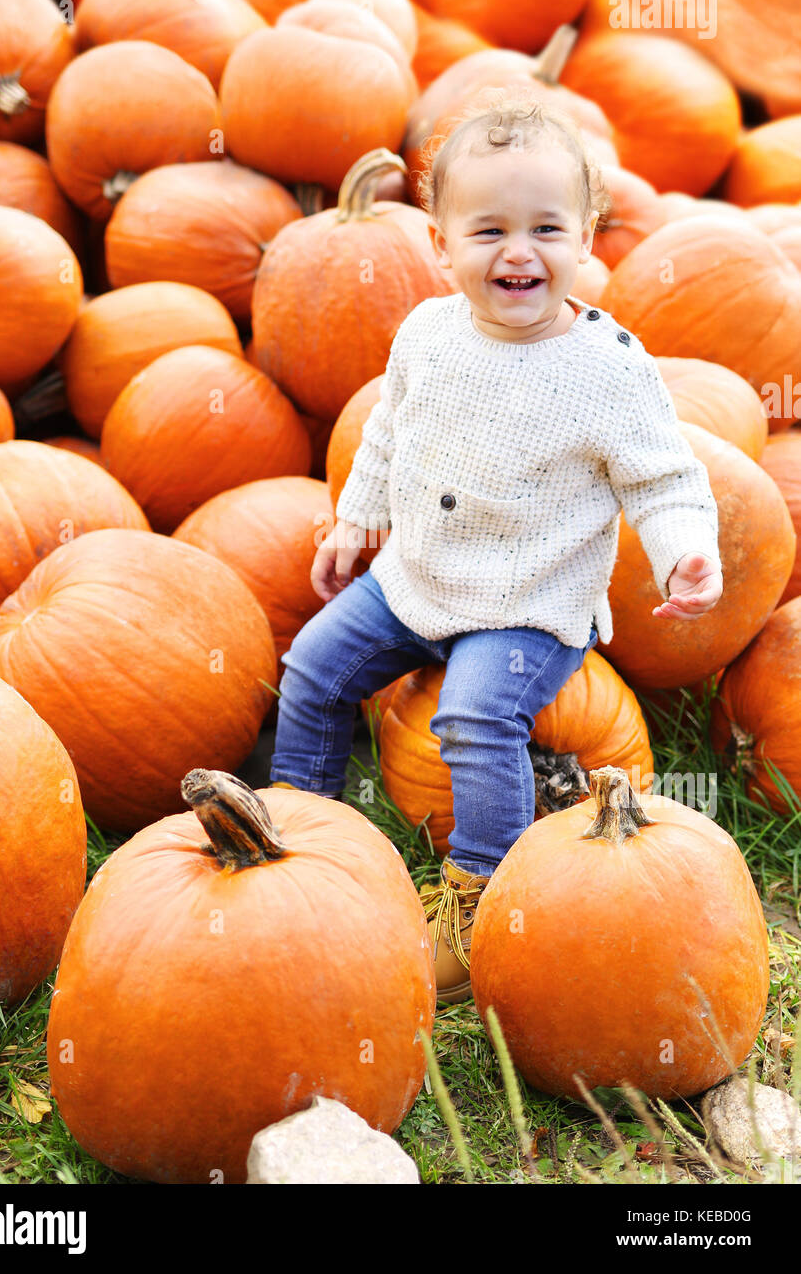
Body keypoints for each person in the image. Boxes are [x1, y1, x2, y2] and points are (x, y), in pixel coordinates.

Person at [270, 100, 722, 1003]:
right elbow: (389, 440)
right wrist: (356, 525)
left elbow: (663, 478)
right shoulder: (425, 337)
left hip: (528, 605)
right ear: (440, 245)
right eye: (489, 231)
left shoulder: (608, 366)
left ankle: (480, 902)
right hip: (418, 579)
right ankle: (299, 835)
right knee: (312, 669)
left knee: (475, 720)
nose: (519, 252)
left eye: (546, 228)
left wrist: (686, 551)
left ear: (587, 236)